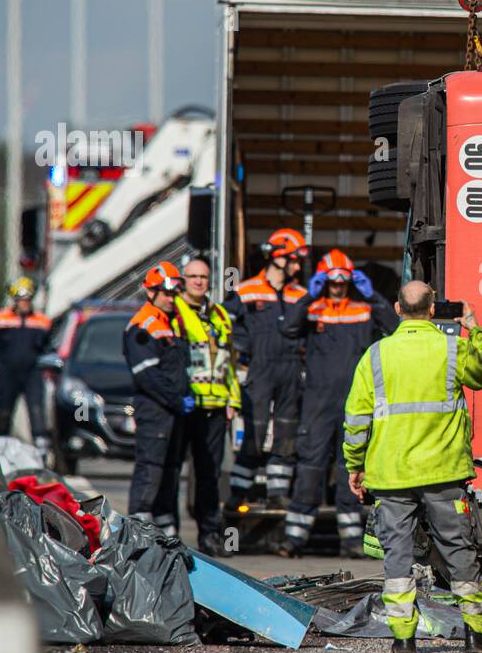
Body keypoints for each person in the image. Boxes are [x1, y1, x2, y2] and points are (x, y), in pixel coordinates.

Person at [343, 281, 482, 653]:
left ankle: (403, 640)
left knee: (397, 557)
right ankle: (477, 636)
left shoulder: (376, 356)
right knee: (459, 551)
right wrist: (474, 325)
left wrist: (355, 466)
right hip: (443, 474)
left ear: (398, 310)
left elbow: (355, 420)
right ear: (433, 310)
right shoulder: (453, 348)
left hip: (391, 476)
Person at [278, 248, 396, 558]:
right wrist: (307, 296)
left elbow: (394, 328)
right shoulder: (313, 310)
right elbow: (288, 328)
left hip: (352, 405)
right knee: (310, 468)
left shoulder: (363, 309)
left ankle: (352, 541)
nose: (338, 287)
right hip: (317, 406)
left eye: (343, 282)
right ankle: (294, 540)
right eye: (332, 282)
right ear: (323, 281)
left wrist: (375, 297)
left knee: (351, 468)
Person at [222, 228, 310, 512]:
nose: (297, 266)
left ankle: (277, 495)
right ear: (277, 257)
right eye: (294, 260)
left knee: (286, 435)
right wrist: (244, 351)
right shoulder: (246, 291)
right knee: (254, 436)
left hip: (291, 371)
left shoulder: (301, 295)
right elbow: (224, 324)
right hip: (259, 371)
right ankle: (238, 495)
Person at [169, 255, 241, 556]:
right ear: (183, 281)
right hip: (186, 404)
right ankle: (167, 533)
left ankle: (209, 535)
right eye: (193, 277)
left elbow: (229, 362)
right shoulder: (175, 312)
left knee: (209, 473)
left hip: (215, 405)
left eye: (203, 277)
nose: (199, 282)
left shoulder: (219, 315)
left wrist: (233, 398)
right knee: (170, 469)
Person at [123, 262, 195, 534]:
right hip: (155, 411)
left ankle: (168, 537)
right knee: (150, 471)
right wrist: (178, 400)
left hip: (173, 412)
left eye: (174, 292)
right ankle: (137, 536)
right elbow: (148, 377)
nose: (170, 297)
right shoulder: (143, 326)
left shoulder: (171, 322)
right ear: (150, 292)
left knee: (170, 473)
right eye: (165, 292)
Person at [0, 277, 52, 454]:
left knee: (37, 413)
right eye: (21, 300)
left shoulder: (42, 321)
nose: (24, 304)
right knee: (4, 414)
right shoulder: (0, 318)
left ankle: (41, 454)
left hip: (32, 374)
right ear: (15, 300)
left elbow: (49, 348)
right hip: (8, 372)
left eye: (27, 300)